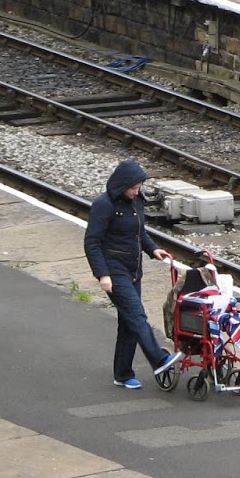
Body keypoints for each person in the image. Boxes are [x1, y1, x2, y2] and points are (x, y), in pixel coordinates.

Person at [82, 160, 182, 390]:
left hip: (133, 269)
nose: (137, 192)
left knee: (128, 323)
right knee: (137, 315)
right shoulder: (104, 205)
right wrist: (102, 274)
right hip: (114, 270)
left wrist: (153, 249)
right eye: (133, 187)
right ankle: (159, 359)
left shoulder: (135, 201)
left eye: (138, 187)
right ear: (122, 184)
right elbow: (92, 242)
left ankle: (123, 374)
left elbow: (138, 232)